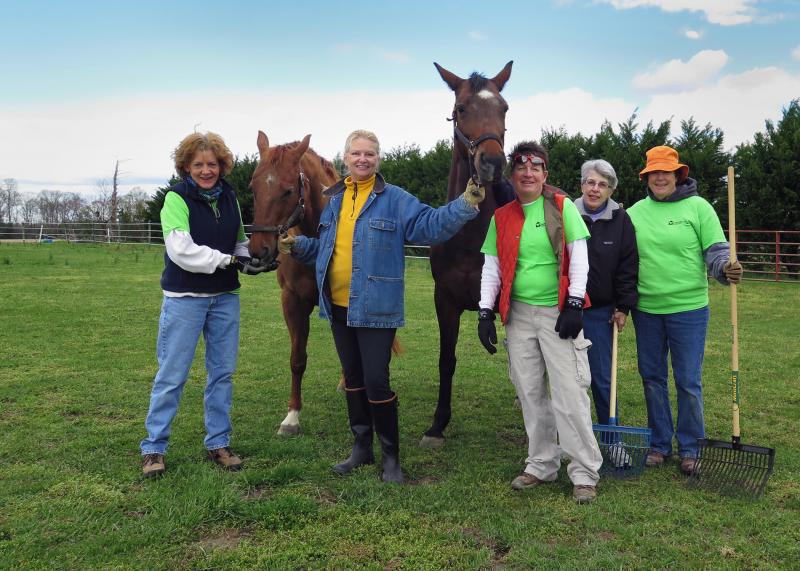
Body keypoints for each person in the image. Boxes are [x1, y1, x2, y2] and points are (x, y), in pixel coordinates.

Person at [279, 129, 484, 484]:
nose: (363, 159)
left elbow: (429, 227)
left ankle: (391, 458)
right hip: (338, 307)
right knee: (354, 380)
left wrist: (465, 204)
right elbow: (326, 250)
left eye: (369, 154)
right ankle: (362, 448)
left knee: (376, 381)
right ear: (345, 158)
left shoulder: (396, 200)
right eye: (356, 153)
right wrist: (296, 246)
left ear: (378, 159)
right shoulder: (335, 202)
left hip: (376, 307)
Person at [476, 141, 602, 504]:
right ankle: (542, 463)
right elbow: (492, 267)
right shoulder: (502, 216)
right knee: (529, 392)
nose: (527, 173)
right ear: (513, 175)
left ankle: (583, 472)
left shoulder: (562, 208)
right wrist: (486, 311)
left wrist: (575, 303)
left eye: (535, 168)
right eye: (521, 168)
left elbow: (580, 257)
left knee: (570, 393)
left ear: (545, 174)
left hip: (558, 314)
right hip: (519, 316)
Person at [140, 131, 271, 478]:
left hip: (225, 298)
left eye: (212, 163)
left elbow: (239, 241)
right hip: (185, 299)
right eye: (198, 164)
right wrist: (229, 260)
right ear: (186, 166)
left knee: (222, 374)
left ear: (222, 165)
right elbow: (181, 250)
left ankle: (218, 443)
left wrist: (252, 259)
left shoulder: (230, 198)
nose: (206, 170)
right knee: (172, 375)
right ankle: (154, 448)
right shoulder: (176, 199)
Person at [628, 145, 742, 475]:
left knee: (688, 380)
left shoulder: (699, 208)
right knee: (651, 377)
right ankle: (660, 444)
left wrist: (725, 269)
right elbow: (621, 258)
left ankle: (691, 446)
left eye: (666, 171)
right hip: (647, 309)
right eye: (654, 173)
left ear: (678, 174)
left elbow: (717, 251)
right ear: (647, 178)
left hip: (688, 309)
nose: (660, 177)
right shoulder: (635, 213)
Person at [573, 159, 638, 426]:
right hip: (565, 311)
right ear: (581, 185)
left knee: (602, 378)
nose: (595, 189)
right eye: (590, 182)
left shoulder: (621, 220)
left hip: (600, 313)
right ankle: (570, 441)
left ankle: (612, 439)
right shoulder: (565, 213)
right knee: (569, 381)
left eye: (602, 185)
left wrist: (623, 307)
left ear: (610, 191)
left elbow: (627, 266)